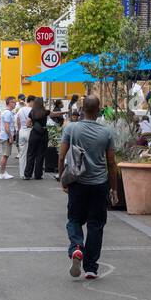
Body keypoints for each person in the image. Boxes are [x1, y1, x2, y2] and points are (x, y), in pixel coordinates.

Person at [59, 95, 118, 280]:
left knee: (74, 220)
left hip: (77, 183)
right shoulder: (106, 132)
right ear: (99, 109)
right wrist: (113, 188)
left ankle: (77, 247)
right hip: (99, 184)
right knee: (96, 225)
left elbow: (61, 156)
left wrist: (64, 180)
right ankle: (91, 267)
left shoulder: (71, 128)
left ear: (82, 109)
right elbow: (111, 162)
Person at [23, 95, 50, 181]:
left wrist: (33, 125)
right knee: (40, 155)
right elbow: (54, 114)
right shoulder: (45, 112)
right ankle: (38, 174)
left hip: (34, 133)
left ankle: (28, 174)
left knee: (31, 154)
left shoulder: (32, 112)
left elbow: (27, 124)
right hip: (43, 134)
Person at [0, 96, 16, 179]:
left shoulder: (7, 112)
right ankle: (2, 173)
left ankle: (3, 171)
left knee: (6, 155)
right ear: (9, 103)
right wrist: (10, 137)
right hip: (6, 136)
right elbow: (7, 127)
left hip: (5, 136)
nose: (15, 104)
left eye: (15, 102)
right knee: (5, 155)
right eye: (13, 102)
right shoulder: (7, 113)